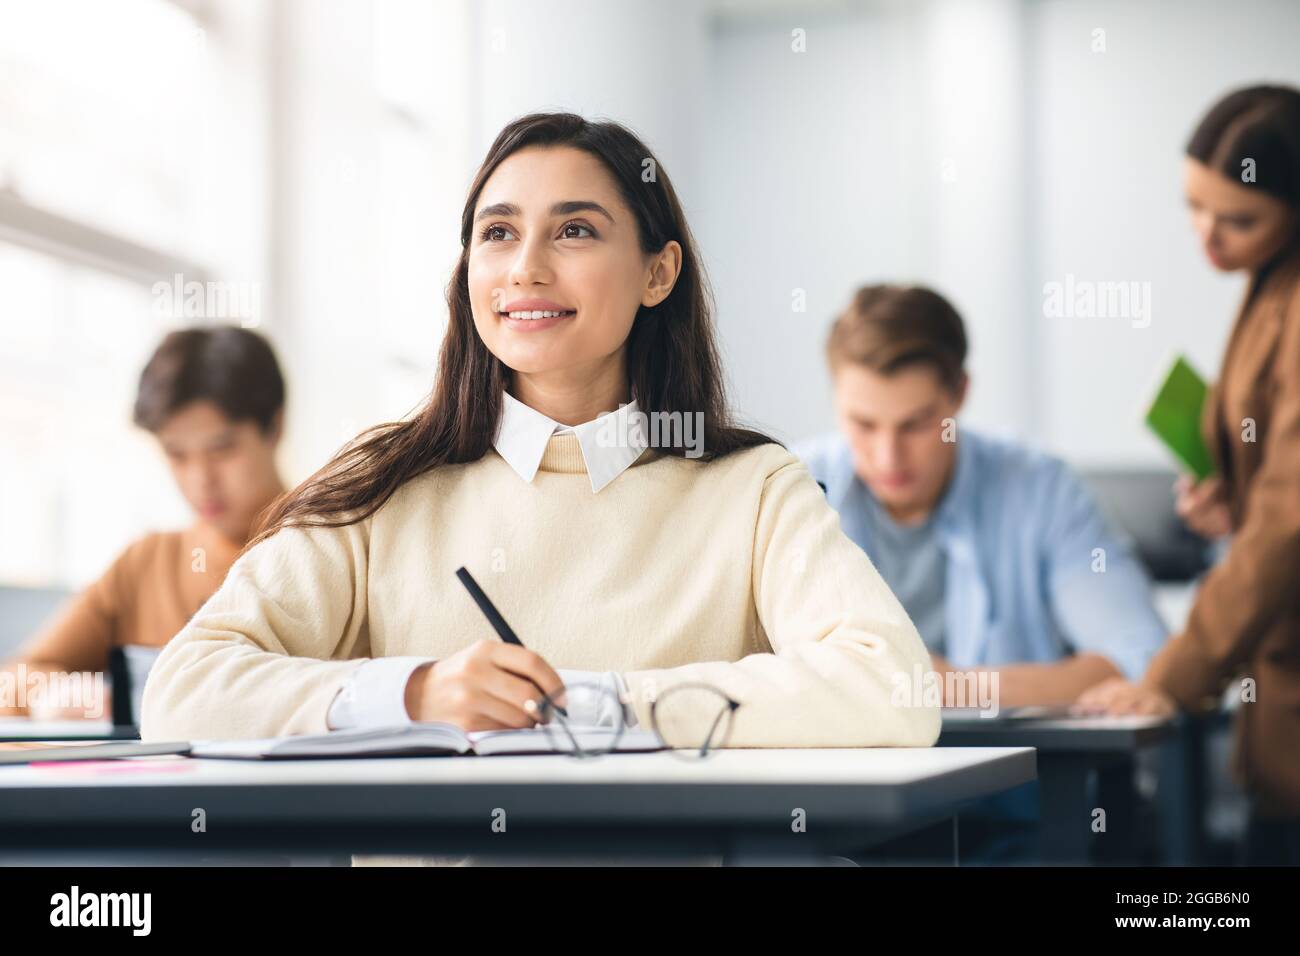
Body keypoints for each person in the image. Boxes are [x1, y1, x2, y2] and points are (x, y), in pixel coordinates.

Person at [139, 112, 937, 767]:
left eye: (576, 231)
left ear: (658, 274)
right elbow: (182, 690)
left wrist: (596, 705)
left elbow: (891, 685)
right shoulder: (381, 482)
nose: (524, 268)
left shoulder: (754, 487)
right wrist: (413, 695)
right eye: (497, 233)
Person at [1076, 85, 1300, 863]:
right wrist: (1231, 501)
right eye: (1194, 208)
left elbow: (1290, 525)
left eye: (1237, 218)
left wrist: (1172, 678)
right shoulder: (1270, 277)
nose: (1207, 237)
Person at [795, 284, 1168, 708]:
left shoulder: (1042, 490)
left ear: (960, 393)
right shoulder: (793, 487)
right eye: (863, 424)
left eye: (914, 424)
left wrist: (949, 687)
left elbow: (1141, 657)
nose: (887, 457)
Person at [0, 326, 287, 721]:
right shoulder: (146, 564)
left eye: (222, 449)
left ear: (275, 427)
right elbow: (14, 680)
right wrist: (57, 695)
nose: (200, 479)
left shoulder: (334, 550)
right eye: (176, 454)